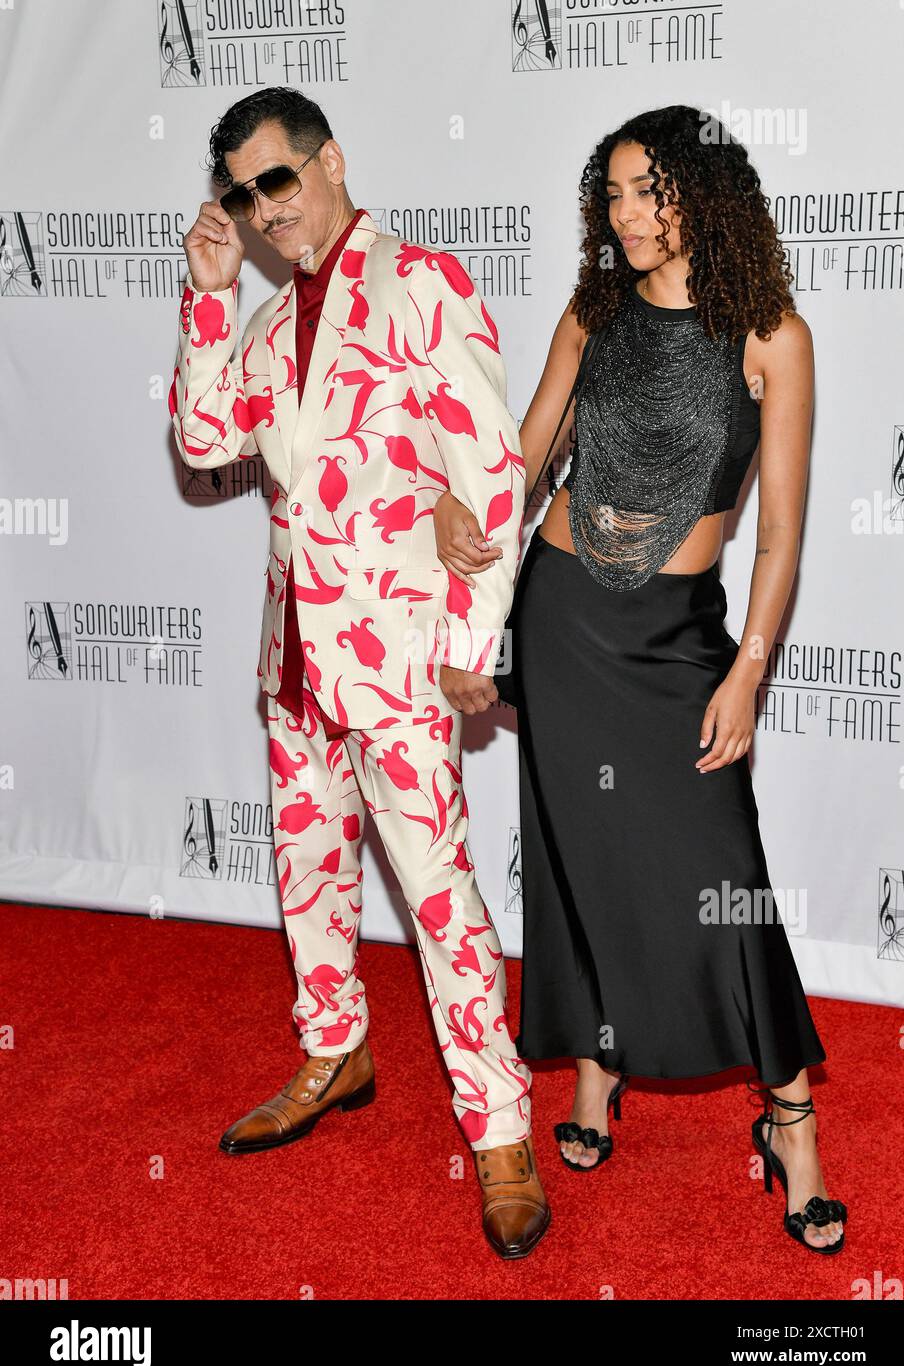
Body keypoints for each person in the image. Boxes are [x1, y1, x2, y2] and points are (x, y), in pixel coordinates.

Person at [432, 105, 847, 1253]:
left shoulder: (772, 335)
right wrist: (467, 509)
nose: (621, 215)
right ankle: (596, 1067)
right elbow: (520, 461)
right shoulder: (592, 312)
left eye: (644, 191)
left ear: (700, 195)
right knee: (576, 852)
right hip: (562, 616)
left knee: (725, 873)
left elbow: (778, 542)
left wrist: (749, 674)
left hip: (675, 641)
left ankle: (792, 1122)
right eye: (608, 194)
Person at [169, 86, 550, 1259]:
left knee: (439, 898)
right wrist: (208, 292)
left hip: (393, 667)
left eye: (277, 180)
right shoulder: (269, 324)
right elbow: (200, 443)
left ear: (330, 162)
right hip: (293, 659)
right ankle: (334, 1050)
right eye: (241, 193)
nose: (264, 210)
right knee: (310, 875)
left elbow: (488, 474)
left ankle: (497, 1131)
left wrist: (466, 645)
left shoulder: (419, 283)